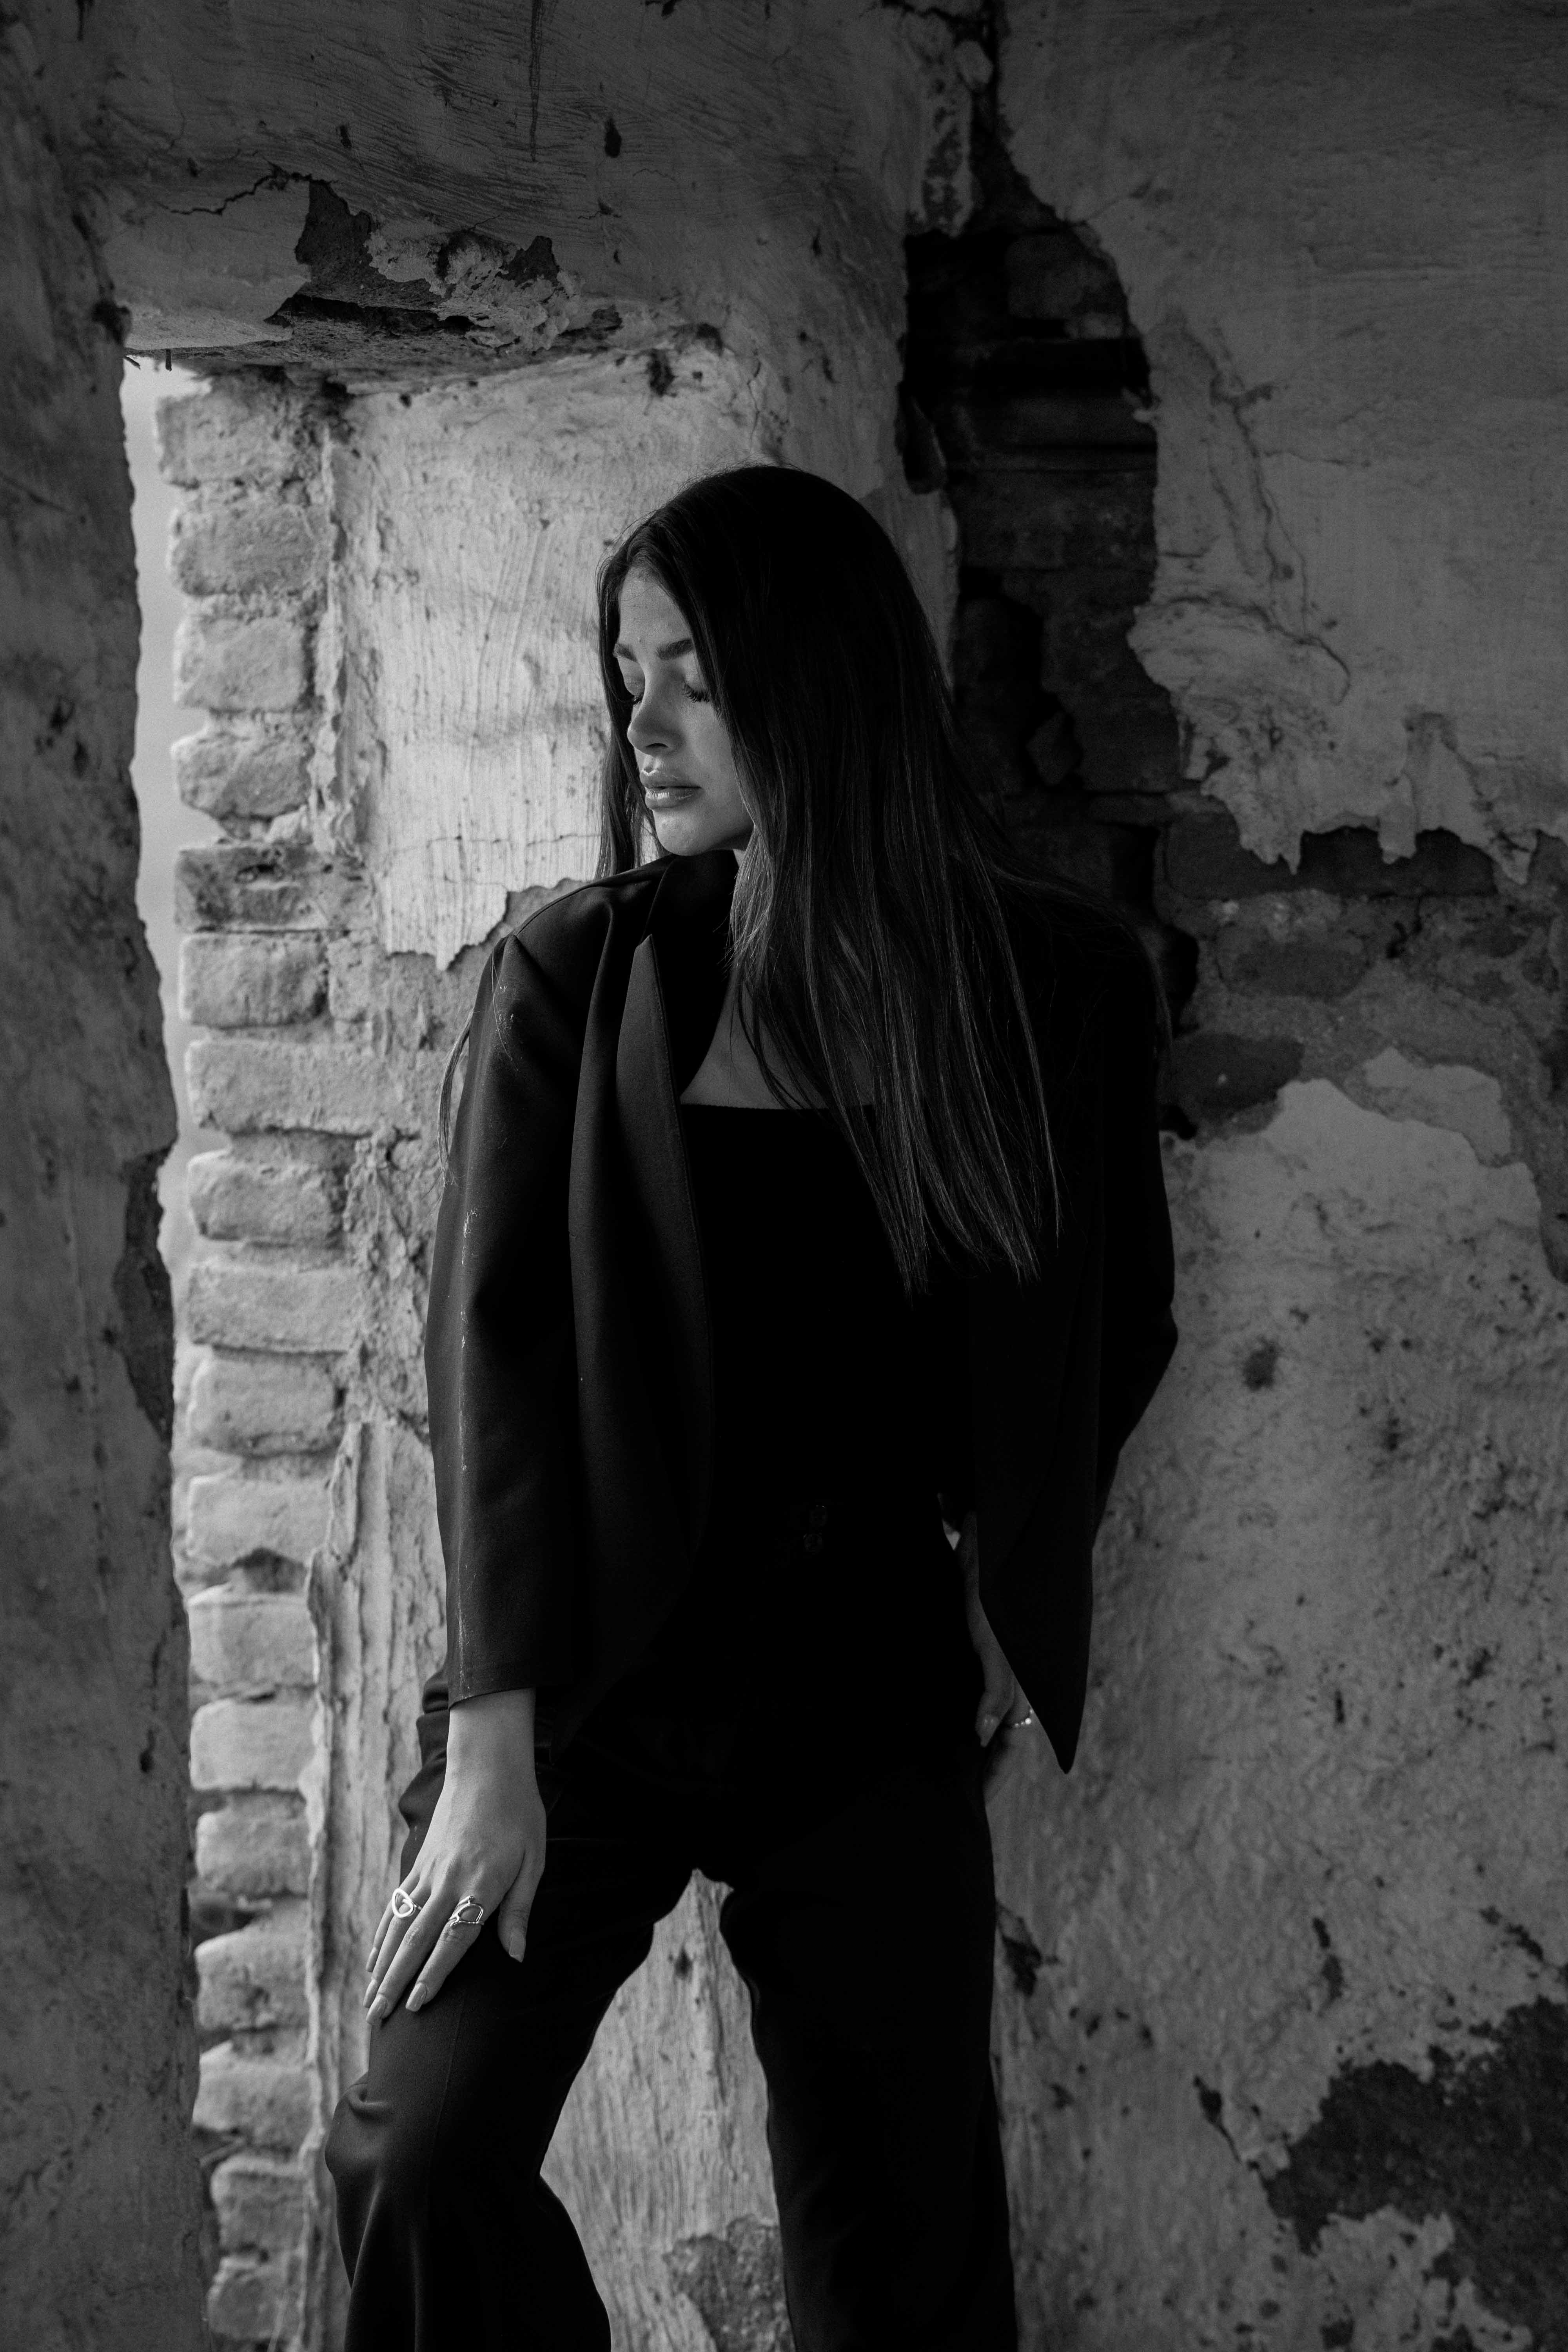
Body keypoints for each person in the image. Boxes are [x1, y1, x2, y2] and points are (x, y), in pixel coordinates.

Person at [324, 465, 1178, 2351]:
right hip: (592, 1692)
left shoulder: (1048, 990)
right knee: (414, 2159)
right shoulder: (580, 969)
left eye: (692, 674)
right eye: (628, 672)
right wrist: (491, 1738)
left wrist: (999, 1581)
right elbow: (498, 1358)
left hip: (867, 1683)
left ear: (817, 680)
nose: (642, 722)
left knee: (902, 2254)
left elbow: (1116, 1323)